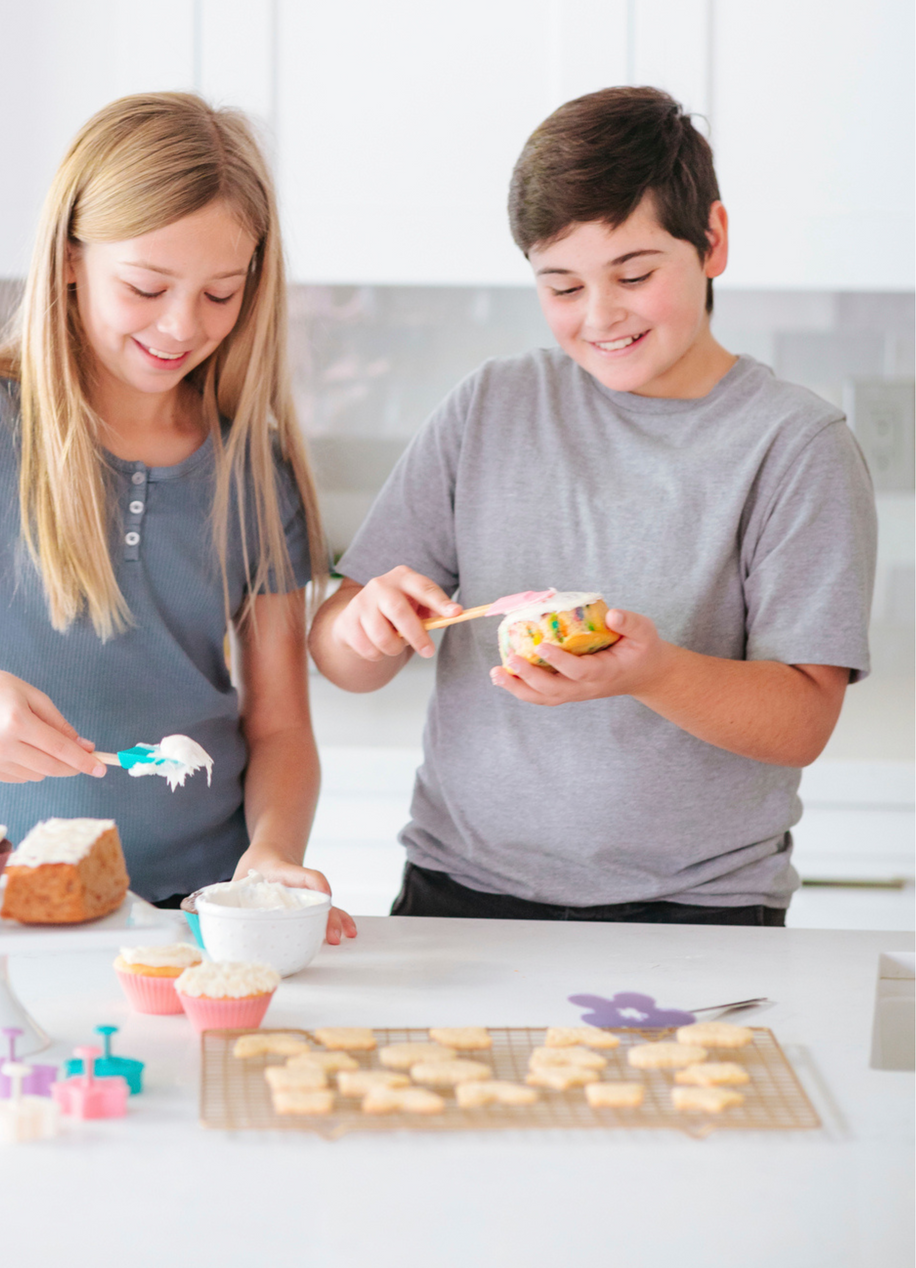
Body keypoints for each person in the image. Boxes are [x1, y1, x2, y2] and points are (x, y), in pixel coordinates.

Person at [0, 93, 355, 941]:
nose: (181, 325)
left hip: (194, 914)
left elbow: (279, 727)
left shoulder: (252, 471)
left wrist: (271, 853)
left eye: (220, 294)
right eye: (147, 286)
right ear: (70, 260)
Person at [309, 86, 876, 927]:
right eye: (562, 286)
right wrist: (362, 627)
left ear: (712, 241)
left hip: (695, 911)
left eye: (635, 274)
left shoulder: (795, 446)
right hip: (458, 892)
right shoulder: (491, 406)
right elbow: (338, 653)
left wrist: (655, 671)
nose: (601, 316)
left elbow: (802, 722)